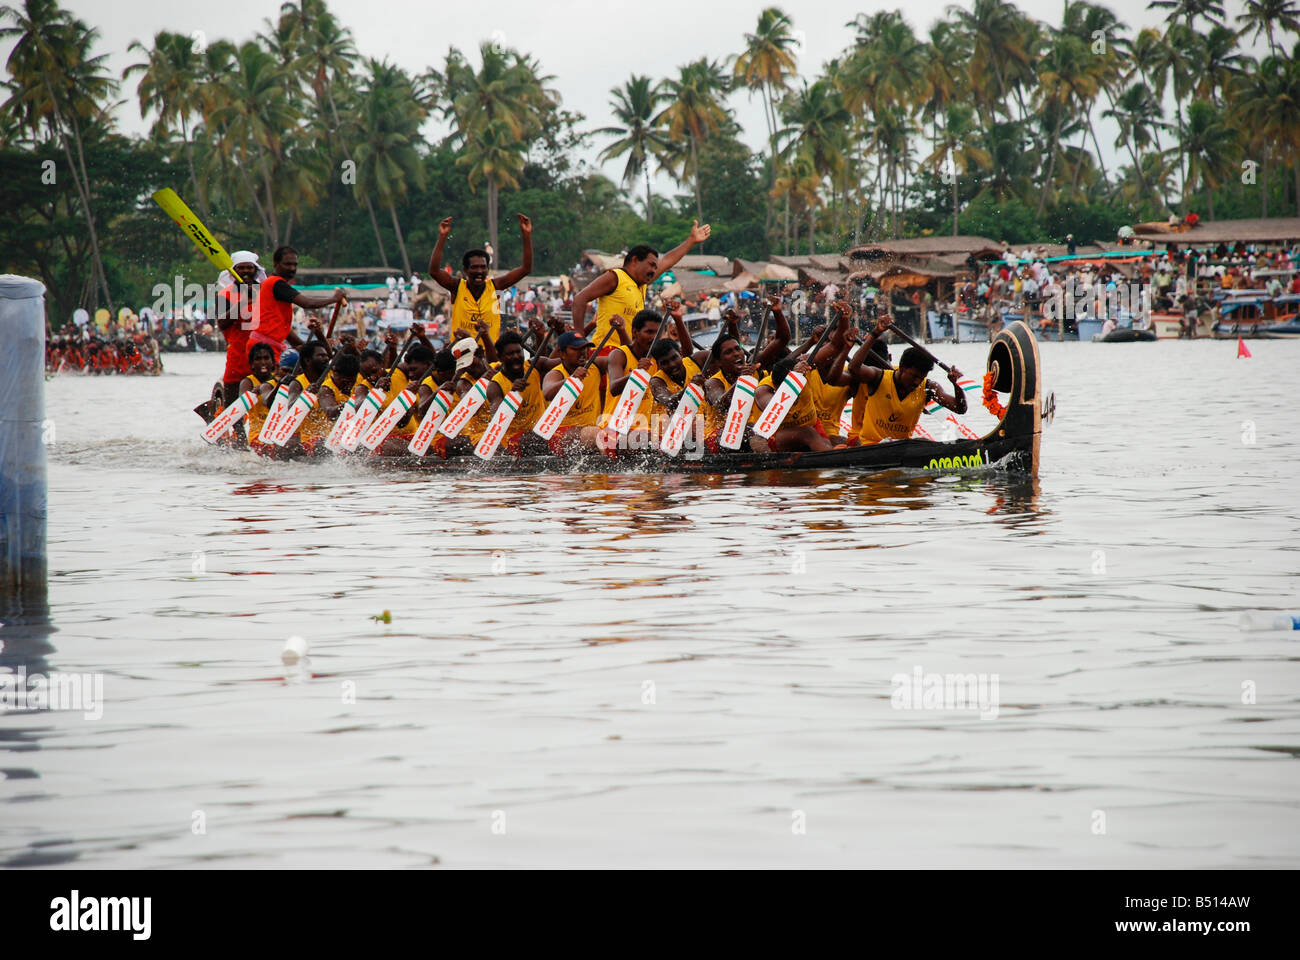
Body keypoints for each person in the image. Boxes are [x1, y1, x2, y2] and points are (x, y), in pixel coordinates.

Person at [570, 221, 712, 348]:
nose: (654, 271)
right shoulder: (615, 277)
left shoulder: (641, 284)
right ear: (635, 260)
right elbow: (579, 299)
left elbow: (668, 260)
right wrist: (579, 340)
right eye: (651, 265)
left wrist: (691, 241)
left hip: (629, 354)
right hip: (606, 351)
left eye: (655, 268)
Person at [427, 214, 533, 346]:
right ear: (465, 270)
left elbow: (525, 269)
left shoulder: (495, 286)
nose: (479, 271)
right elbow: (434, 271)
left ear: (488, 269)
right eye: (474, 267)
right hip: (461, 358)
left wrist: (526, 235)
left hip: (490, 359)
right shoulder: (457, 286)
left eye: (483, 267)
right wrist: (442, 237)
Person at [250, 246, 345, 361]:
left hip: (266, 345)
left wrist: (306, 348)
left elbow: (284, 330)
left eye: (295, 265)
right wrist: (334, 299)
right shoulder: (276, 283)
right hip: (262, 349)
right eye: (288, 264)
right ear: (276, 263)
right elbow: (307, 303)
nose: (292, 268)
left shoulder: (273, 285)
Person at [539, 331, 620, 453]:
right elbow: (548, 392)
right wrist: (571, 379)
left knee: (617, 434)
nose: (583, 352)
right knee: (600, 435)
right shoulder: (556, 374)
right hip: (560, 434)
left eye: (585, 348)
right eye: (576, 349)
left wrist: (621, 331)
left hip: (590, 431)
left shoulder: (596, 365)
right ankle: (617, 465)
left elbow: (622, 359)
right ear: (562, 354)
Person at [215, 251, 264, 406]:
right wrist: (245, 300)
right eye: (241, 268)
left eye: (249, 268)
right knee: (232, 399)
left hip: (264, 353)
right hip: (238, 353)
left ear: (255, 270)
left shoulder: (266, 291)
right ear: (233, 271)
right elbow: (222, 323)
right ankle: (235, 427)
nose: (245, 271)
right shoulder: (224, 294)